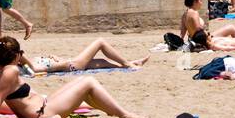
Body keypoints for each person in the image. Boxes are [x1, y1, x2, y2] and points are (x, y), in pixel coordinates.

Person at [0, 37, 141, 118]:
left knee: (82, 81)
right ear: (16, 55)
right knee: (89, 81)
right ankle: (124, 114)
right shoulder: (10, 71)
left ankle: (113, 111)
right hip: (42, 114)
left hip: (43, 106)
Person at [22, 38, 151, 74]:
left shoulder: (31, 62)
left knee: (102, 62)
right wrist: (63, 62)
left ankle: (132, 64)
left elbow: (51, 63)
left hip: (70, 63)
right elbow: (39, 68)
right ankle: (128, 64)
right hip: (72, 65)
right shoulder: (33, 67)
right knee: (100, 42)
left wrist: (53, 57)